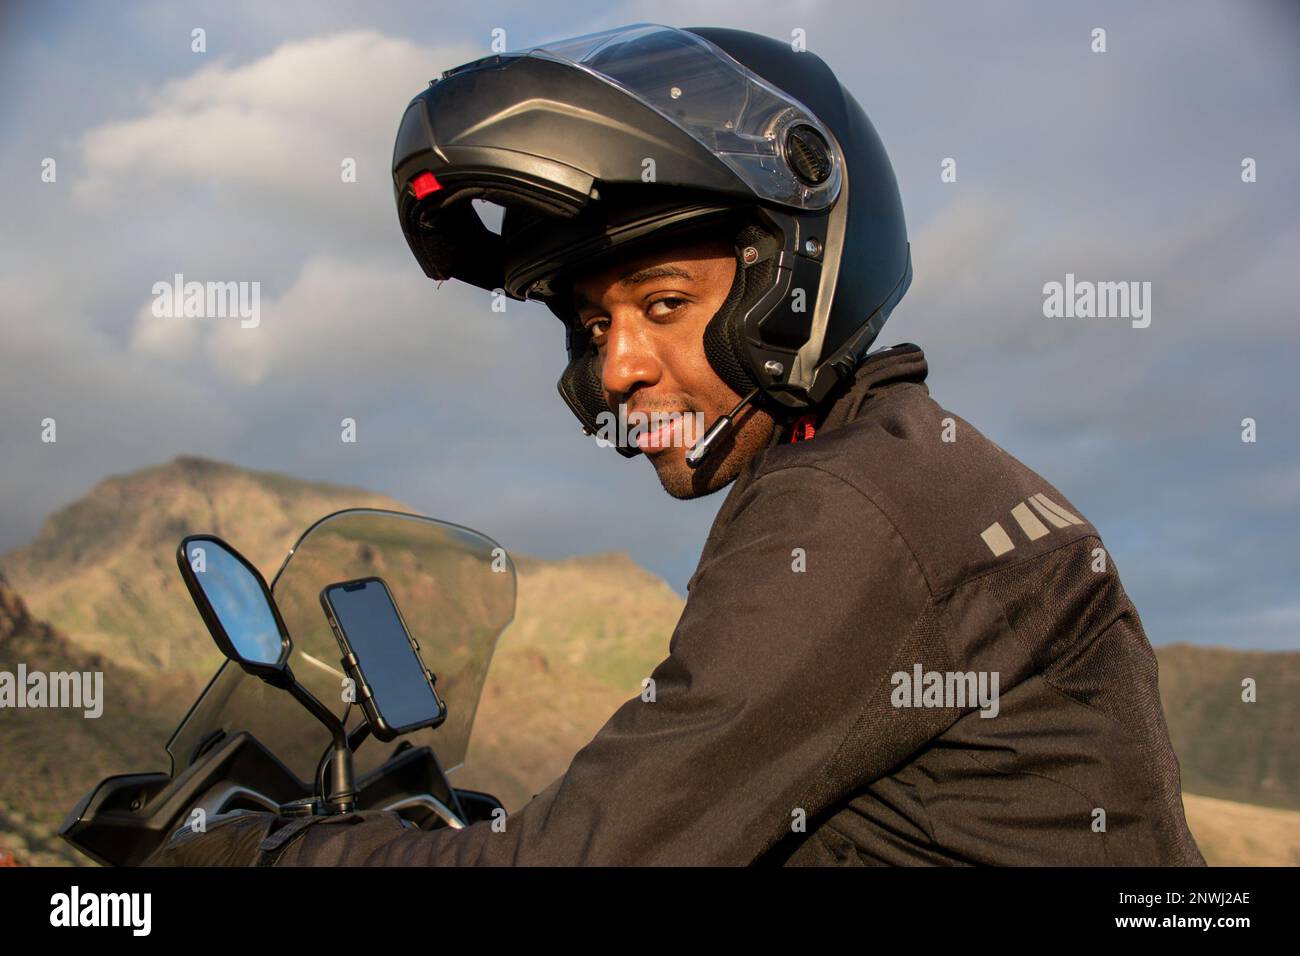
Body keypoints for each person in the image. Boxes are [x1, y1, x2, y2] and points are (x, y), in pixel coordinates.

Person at [168, 23, 1207, 865]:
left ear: (792, 288)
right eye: (589, 326)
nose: (616, 366)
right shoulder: (914, 457)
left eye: (661, 302)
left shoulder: (846, 509)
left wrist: (257, 853)